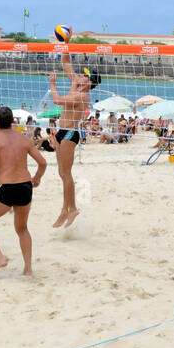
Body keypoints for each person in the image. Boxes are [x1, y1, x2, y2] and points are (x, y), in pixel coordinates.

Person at [0, 106, 48, 275]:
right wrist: (37, 178)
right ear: (13, 121)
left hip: (7, 188)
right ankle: (28, 269)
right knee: (22, 229)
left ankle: (0, 257)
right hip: (25, 187)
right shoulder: (24, 139)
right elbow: (43, 163)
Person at [48, 52, 98, 228]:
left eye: (85, 76)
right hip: (61, 132)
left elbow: (58, 100)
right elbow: (66, 62)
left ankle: (68, 209)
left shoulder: (82, 97)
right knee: (62, 174)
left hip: (70, 133)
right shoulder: (75, 83)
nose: (81, 76)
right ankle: (69, 209)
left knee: (66, 174)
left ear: (89, 83)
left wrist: (53, 85)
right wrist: (65, 44)